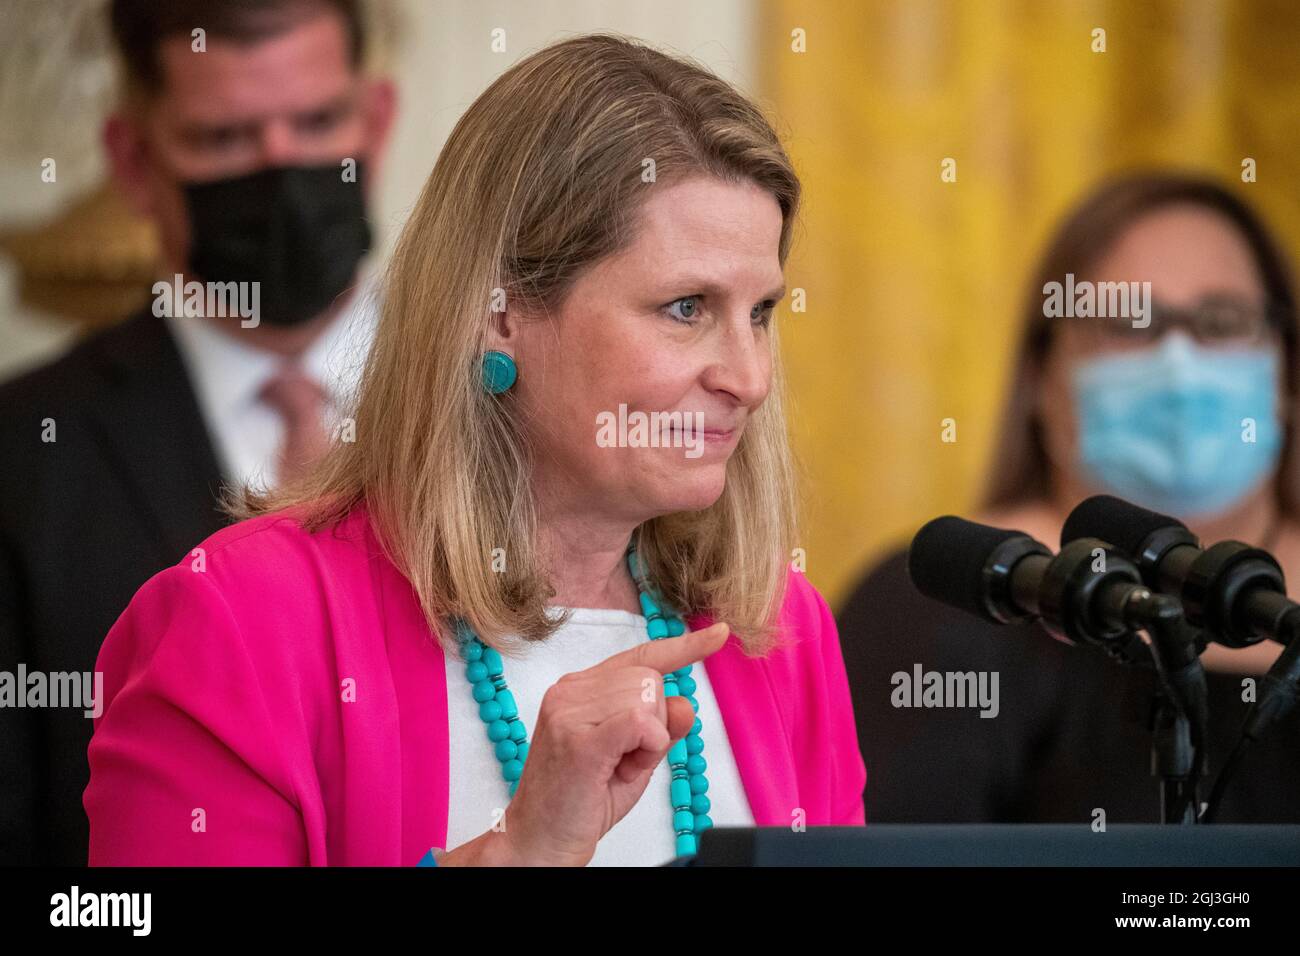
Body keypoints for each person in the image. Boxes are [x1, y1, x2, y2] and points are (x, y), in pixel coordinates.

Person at [82, 33, 866, 867]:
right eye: (685, 307)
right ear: (498, 312)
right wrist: (518, 852)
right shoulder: (243, 621)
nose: (746, 377)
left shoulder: (777, 631)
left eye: (760, 314)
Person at [0, 0, 396, 864]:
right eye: (225, 140)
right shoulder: (23, 453)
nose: (281, 171)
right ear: (134, 161)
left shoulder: (504, 408)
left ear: (378, 121)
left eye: (318, 122)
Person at [838, 172, 1300, 824]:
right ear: (1041, 383)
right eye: (1129, 324)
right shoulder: (941, 603)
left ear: (1286, 372)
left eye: (1221, 321)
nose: (1179, 362)